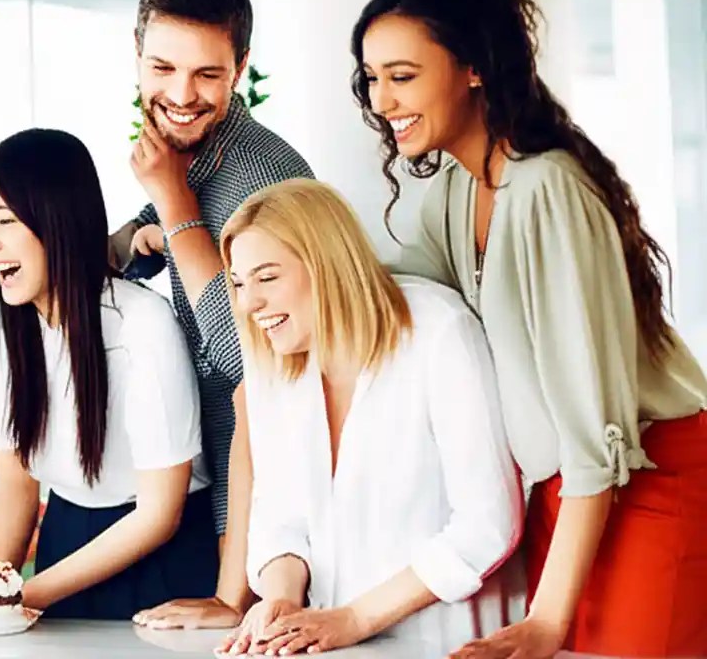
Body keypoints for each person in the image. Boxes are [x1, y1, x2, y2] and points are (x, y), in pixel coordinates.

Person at [352, 0, 707, 656]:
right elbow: (375, 287)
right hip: (563, 496)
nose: (381, 101)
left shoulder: (547, 189)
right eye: (371, 78)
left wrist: (547, 619)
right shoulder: (451, 190)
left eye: (402, 76)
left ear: (474, 66)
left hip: (643, 483)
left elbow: (594, 434)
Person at [214, 180, 522, 656]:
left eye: (267, 278)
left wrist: (355, 618)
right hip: (332, 645)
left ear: (326, 264)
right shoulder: (272, 360)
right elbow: (278, 514)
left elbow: (486, 525)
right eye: (238, 283)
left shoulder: (437, 330)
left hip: (447, 643)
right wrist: (280, 598)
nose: (248, 303)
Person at [120, 0, 316, 632]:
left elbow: (252, 362)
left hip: (271, 545)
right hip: (199, 508)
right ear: (137, 56)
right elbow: (133, 251)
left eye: (207, 73)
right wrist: (148, 225)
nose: (181, 94)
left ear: (241, 66)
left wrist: (172, 204)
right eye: (162, 69)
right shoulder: (185, 157)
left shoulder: (267, 177)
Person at [0, 128, 218, 619]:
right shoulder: (6, 327)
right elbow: (17, 483)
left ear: (59, 222)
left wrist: (23, 595)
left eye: (6, 220)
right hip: (65, 541)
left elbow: (158, 514)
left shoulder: (141, 324)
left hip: (161, 554)